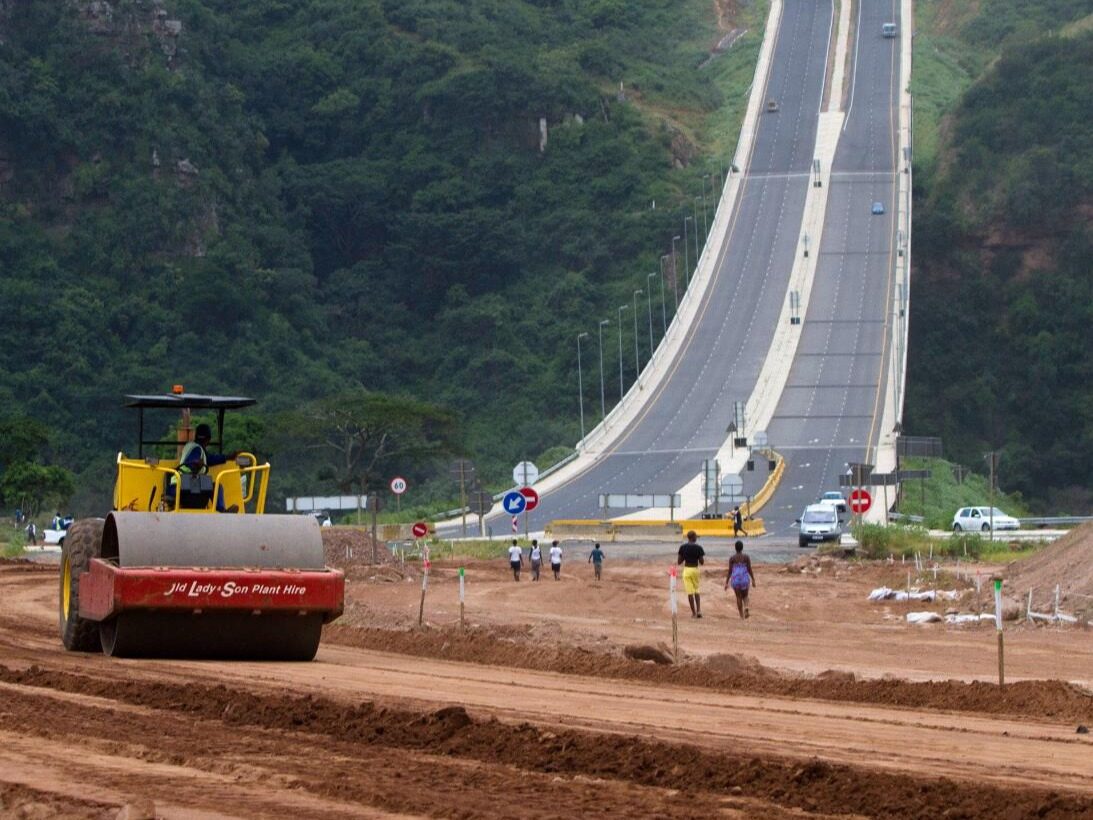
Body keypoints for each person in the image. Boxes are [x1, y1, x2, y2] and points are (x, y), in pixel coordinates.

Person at [725, 540, 756, 619]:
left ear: (735, 548)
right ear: (742, 548)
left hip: (735, 578)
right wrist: (753, 579)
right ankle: (746, 607)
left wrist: (726, 582)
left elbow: (730, 571)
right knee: (745, 596)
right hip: (744, 578)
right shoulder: (746, 557)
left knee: (738, 597)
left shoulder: (732, 558)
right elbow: (749, 569)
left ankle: (741, 616)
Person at [677, 530, 705, 618]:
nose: (696, 538)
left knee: (690, 593)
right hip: (695, 570)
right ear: (693, 537)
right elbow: (702, 562)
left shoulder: (683, 547)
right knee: (696, 591)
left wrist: (685, 556)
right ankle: (699, 610)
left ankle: (693, 613)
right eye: (696, 536)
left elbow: (679, 562)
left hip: (687, 570)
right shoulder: (698, 547)